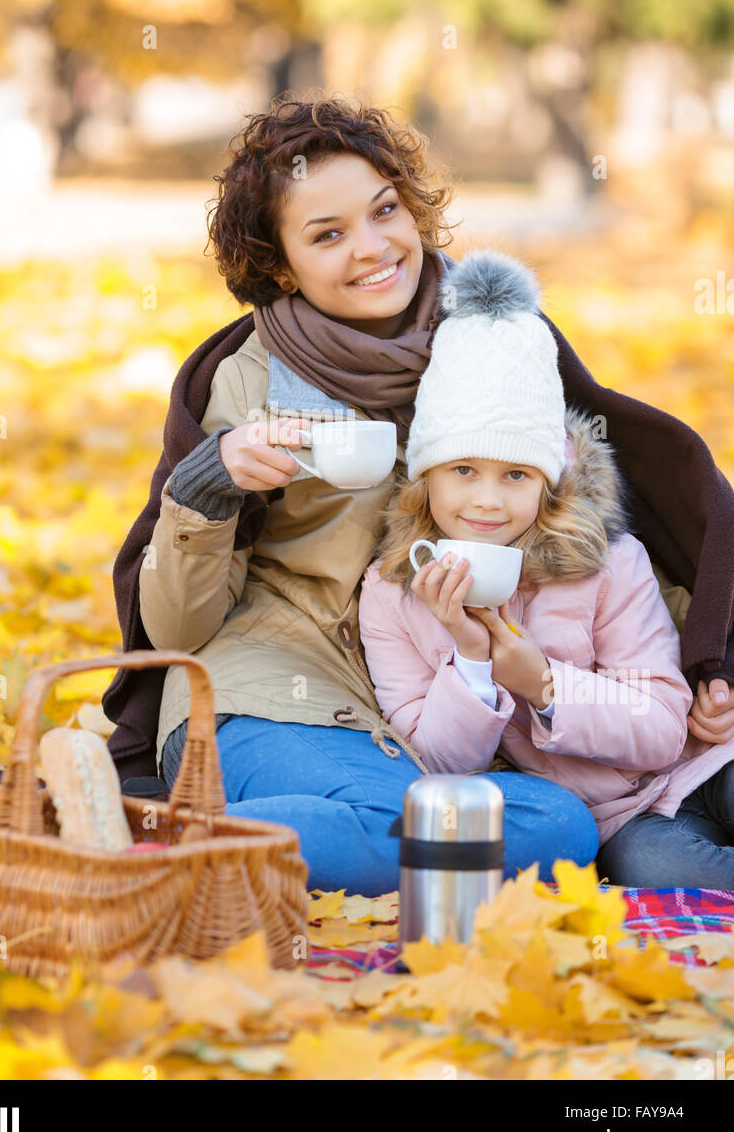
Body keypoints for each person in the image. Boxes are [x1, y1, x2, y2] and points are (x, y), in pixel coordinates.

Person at [101, 91, 734, 897]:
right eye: (328, 235)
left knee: (560, 826)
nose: (372, 249)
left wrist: (711, 670)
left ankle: (190, 846)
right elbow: (180, 630)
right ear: (281, 264)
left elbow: (612, 506)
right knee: (476, 831)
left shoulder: (489, 333)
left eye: (384, 210)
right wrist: (208, 487)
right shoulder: (252, 379)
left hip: (427, 718)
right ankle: (132, 857)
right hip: (279, 691)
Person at [359, 249, 734, 889]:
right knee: (658, 868)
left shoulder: (607, 562)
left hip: (703, 764)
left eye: (515, 476)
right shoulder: (393, 593)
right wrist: (473, 664)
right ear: (426, 478)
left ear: (548, 484)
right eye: (462, 470)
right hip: (620, 821)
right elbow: (442, 767)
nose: (486, 499)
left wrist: (547, 685)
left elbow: (667, 729)